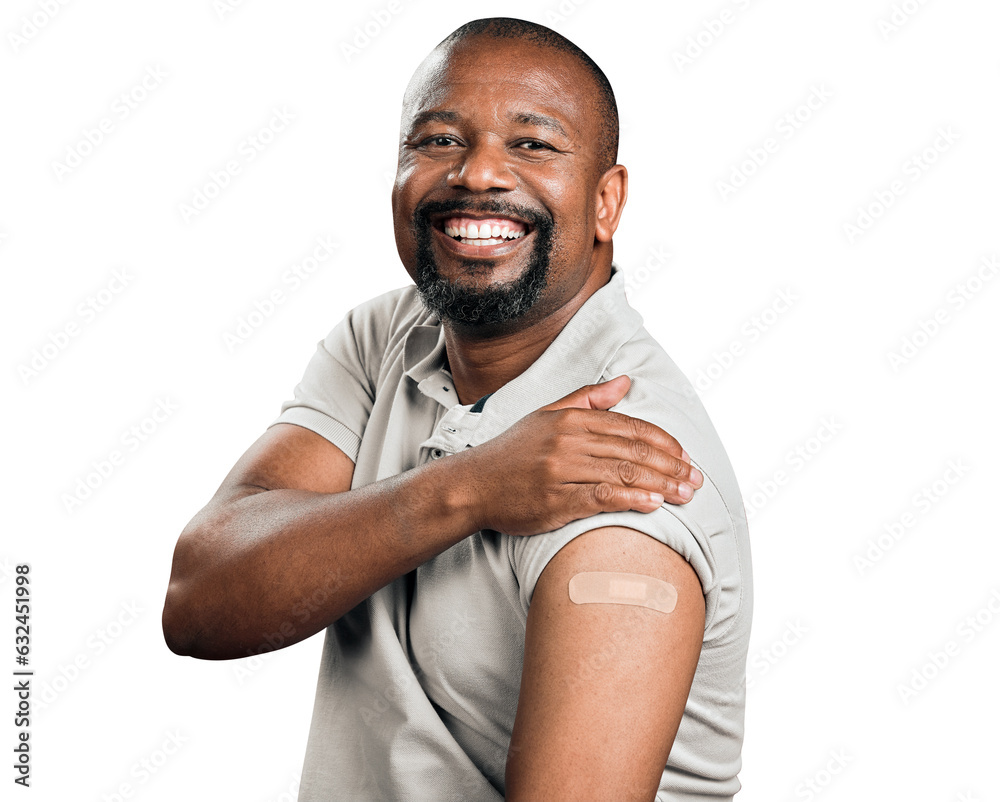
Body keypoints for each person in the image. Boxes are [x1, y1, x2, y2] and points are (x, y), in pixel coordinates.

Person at [162, 17, 752, 802]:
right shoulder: (388, 337)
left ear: (606, 201)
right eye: (438, 140)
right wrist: (470, 488)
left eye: (532, 144)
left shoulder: (626, 484)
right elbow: (200, 603)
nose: (476, 175)